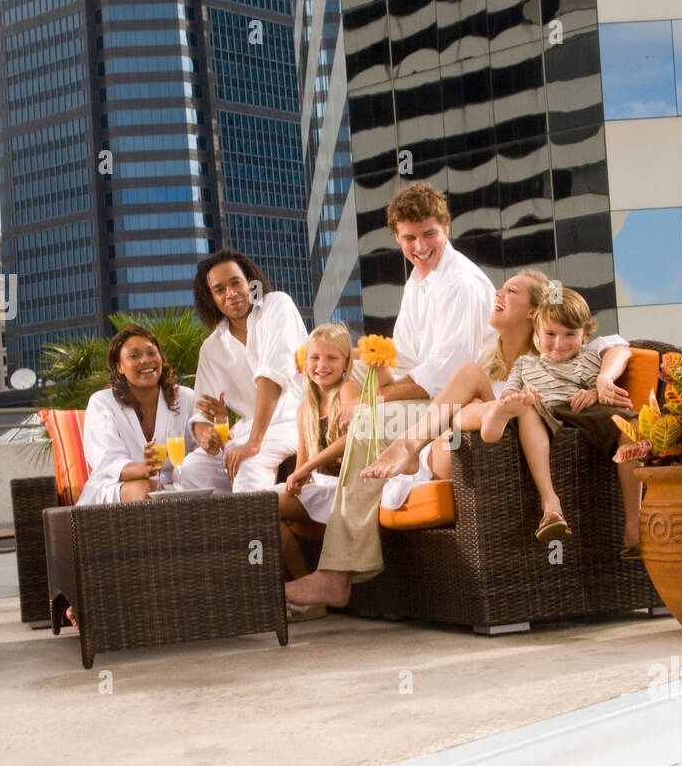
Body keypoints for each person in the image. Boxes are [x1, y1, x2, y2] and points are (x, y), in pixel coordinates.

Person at [285, 180, 496, 607]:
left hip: (458, 401)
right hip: (427, 395)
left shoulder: (461, 284)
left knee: (368, 416)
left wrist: (372, 400)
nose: (420, 245)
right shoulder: (419, 282)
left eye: (429, 234)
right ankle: (327, 445)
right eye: (409, 237)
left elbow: (440, 378)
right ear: (397, 237)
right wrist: (370, 374)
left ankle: (335, 575)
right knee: (351, 369)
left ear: (446, 227)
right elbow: (404, 360)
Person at [361, 270, 634, 511]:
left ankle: (421, 440)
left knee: (486, 402)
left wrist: (601, 383)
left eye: (511, 291)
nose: (497, 293)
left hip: (500, 455)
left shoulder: (563, 351)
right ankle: (410, 445)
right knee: (470, 379)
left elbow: (619, 348)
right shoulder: (484, 361)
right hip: (455, 451)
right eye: (501, 288)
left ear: (533, 312)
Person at [479, 287, 642, 555]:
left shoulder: (588, 358)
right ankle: (550, 504)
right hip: (541, 409)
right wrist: (517, 397)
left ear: (585, 334)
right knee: (524, 407)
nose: (559, 343)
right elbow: (510, 392)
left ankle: (634, 526)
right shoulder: (523, 365)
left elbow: (599, 384)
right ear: (537, 333)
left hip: (578, 409)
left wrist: (592, 393)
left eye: (570, 335)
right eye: (550, 334)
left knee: (633, 426)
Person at [180, 248, 307, 492]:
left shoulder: (276, 305)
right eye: (219, 290)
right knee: (192, 469)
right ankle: (218, 529)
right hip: (245, 431)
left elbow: (273, 375)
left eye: (236, 283)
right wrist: (205, 433)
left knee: (248, 461)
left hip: (293, 422)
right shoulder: (211, 348)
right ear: (211, 298)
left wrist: (253, 442)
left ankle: (253, 528)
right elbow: (200, 411)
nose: (231, 294)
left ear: (250, 282)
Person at [78, 324, 197, 505]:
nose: (145, 360)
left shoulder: (186, 397)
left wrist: (213, 437)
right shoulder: (103, 403)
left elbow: (200, 453)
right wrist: (145, 469)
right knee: (146, 490)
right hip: (120, 486)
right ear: (119, 367)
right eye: (134, 356)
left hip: (178, 487)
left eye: (151, 353)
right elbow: (108, 463)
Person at [277, 323, 359, 582]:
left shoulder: (349, 390)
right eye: (314, 358)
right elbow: (303, 462)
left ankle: (309, 591)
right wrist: (298, 478)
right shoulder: (305, 409)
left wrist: (306, 468)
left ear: (345, 363)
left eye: (331, 358)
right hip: (319, 488)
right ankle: (301, 580)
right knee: (256, 506)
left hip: (345, 486)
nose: (321, 365)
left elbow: (352, 438)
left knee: (262, 506)